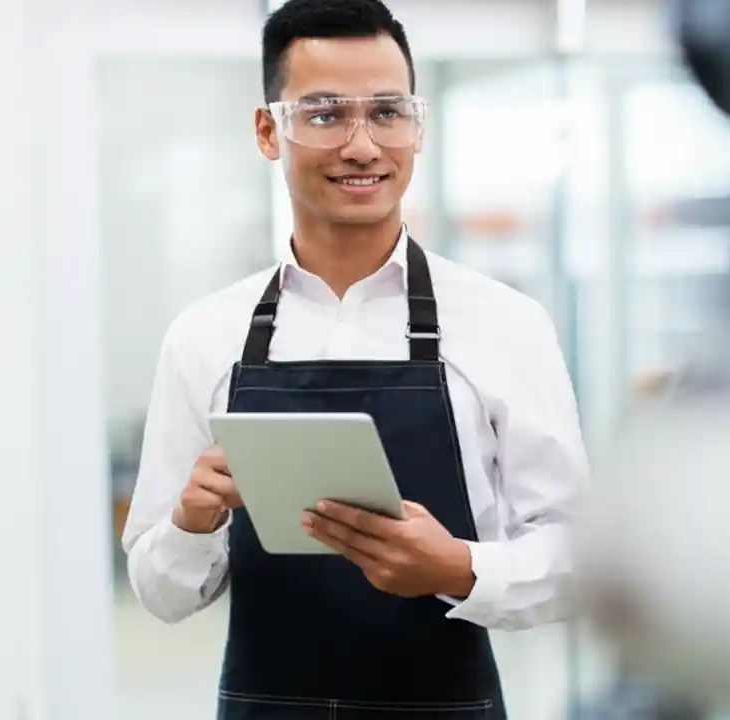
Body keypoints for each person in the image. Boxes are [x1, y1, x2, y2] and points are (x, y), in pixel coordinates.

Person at [120, 0, 589, 717]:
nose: (364, 145)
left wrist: (460, 569)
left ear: (417, 126)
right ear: (267, 131)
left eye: (388, 112)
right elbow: (160, 593)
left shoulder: (505, 326)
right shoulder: (204, 337)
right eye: (325, 114)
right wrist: (191, 519)